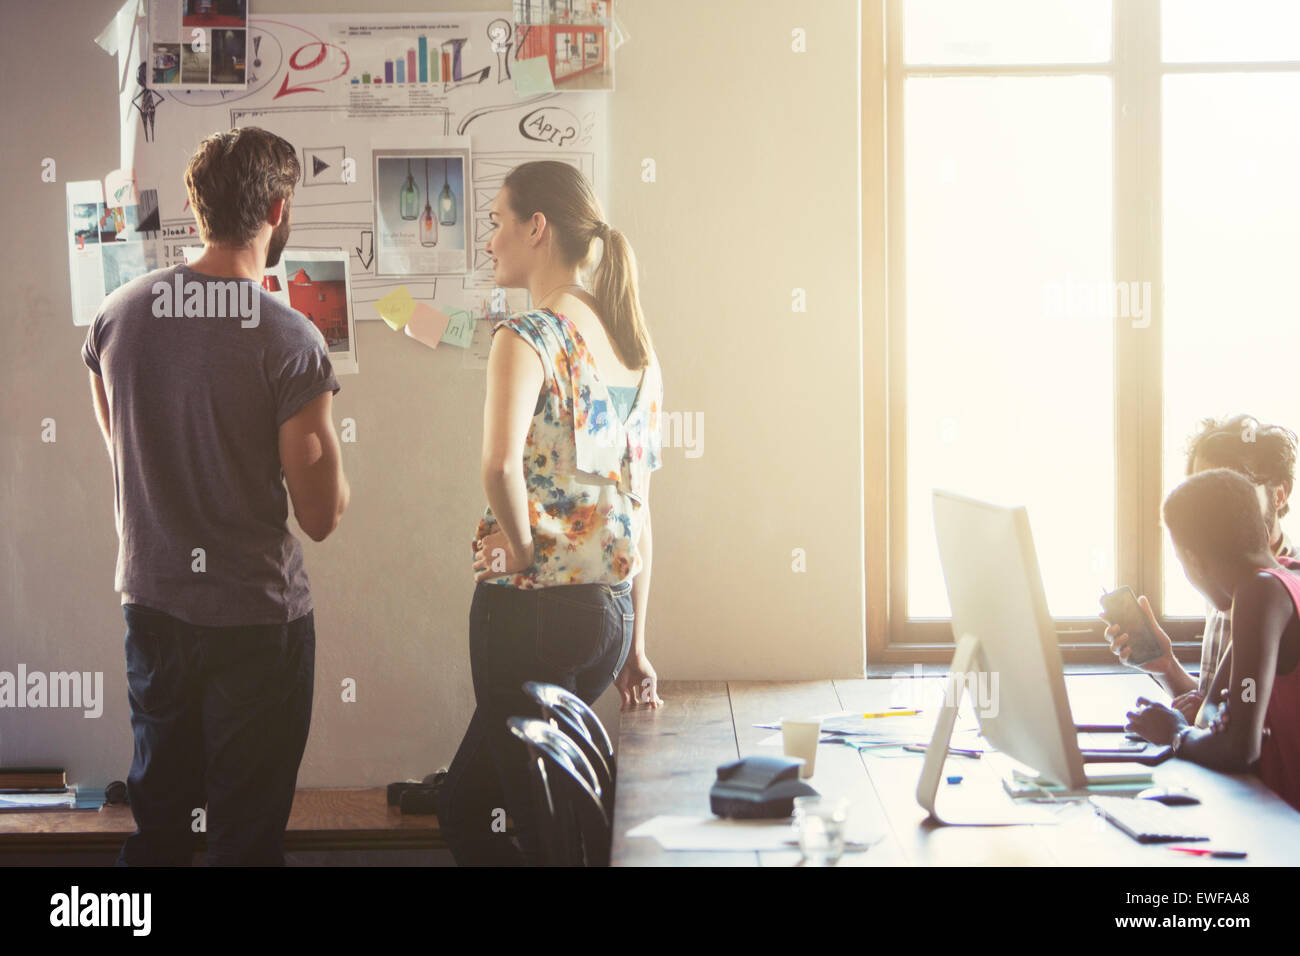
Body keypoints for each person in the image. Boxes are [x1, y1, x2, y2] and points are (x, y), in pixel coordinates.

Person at [82, 127, 349, 865]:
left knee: (161, 831)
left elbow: (125, 454)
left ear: (199, 209)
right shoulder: (289, 340)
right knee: (243, 839)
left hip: (153, 612)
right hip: (255, 624)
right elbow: (321, 518)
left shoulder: (118, 317)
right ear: (277, 207)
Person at [436, 160, 664, 866]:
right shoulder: (633, 350)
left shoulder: (528, 335)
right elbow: (640, 510)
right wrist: (635, 645)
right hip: (605, 618)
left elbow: (499, 466)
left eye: (498, 221)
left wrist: (523, 550)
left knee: (540, 830)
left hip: (528, 616)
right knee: (480, 803)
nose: (489, 240)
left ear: (538, 228)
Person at [1127, 468, 1300, 812]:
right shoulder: (1285, 577)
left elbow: (1239, 749)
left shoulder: (1258, 594)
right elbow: (1209, 714)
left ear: (1192, 558)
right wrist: (1211, 726)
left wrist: (1176, 732)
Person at [1105, 415, 1296, 723]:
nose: (1211, 509)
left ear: (1279, 494)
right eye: (1200, 490)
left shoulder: (1279, 588)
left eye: (1231, 486)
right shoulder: (1222, 581)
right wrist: (1167, 666)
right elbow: (1217, 710)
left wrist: (1181, 735)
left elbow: (1246, 739)